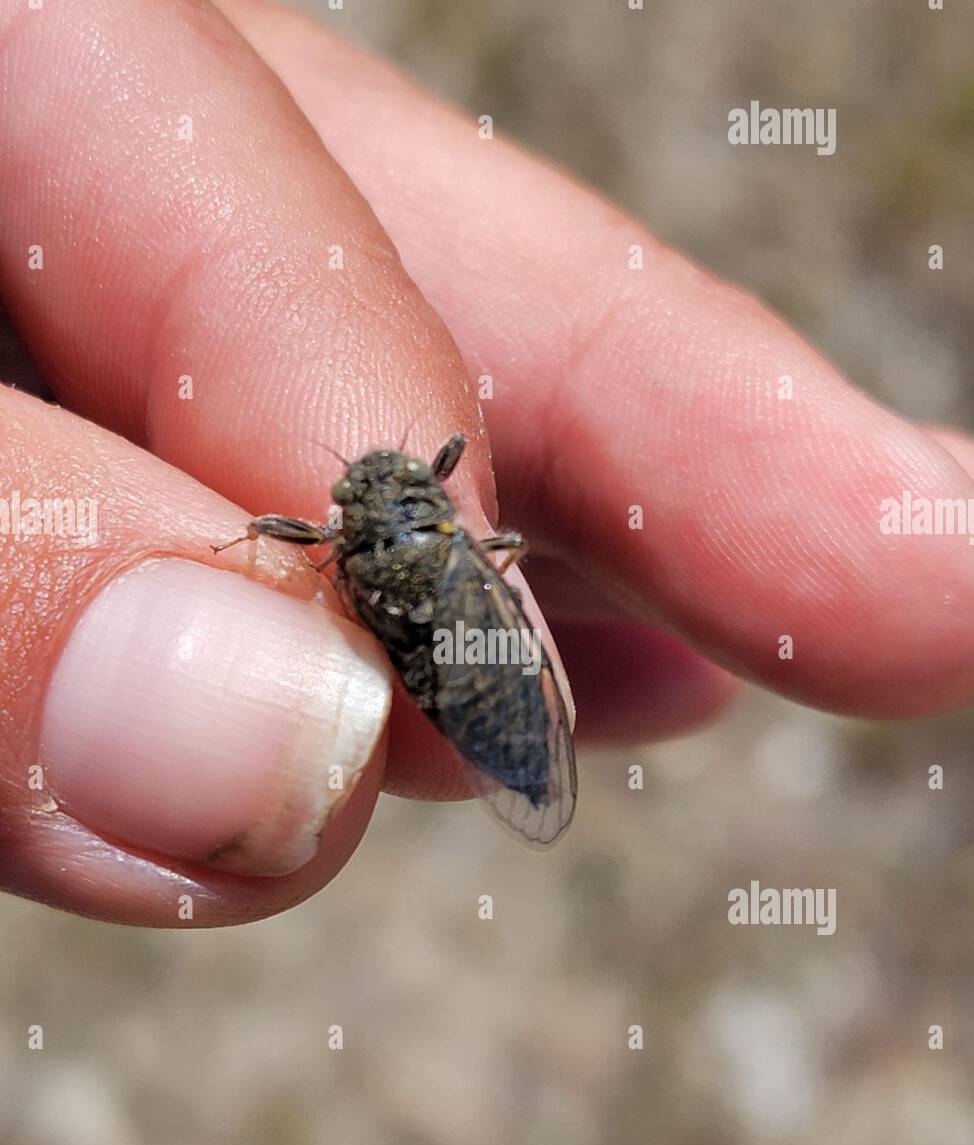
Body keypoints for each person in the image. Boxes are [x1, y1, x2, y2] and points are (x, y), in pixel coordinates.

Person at [1, 0, 970, 926]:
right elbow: (486, 547)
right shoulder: (448, 536)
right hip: (470, 626)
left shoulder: (339, 548)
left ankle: (502, 734)